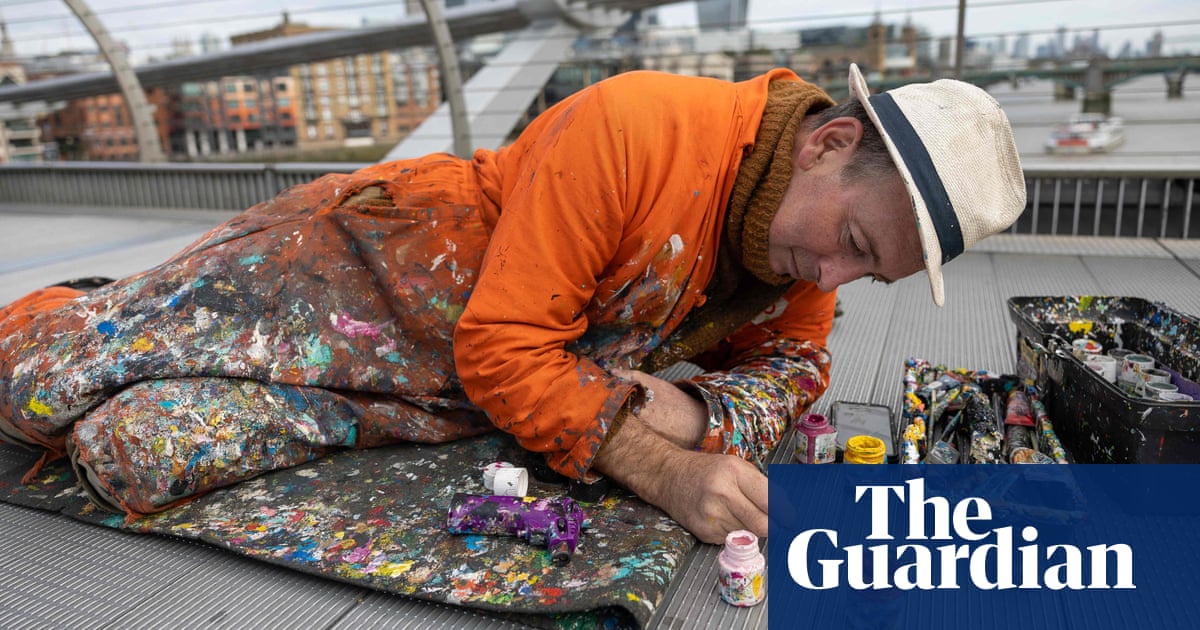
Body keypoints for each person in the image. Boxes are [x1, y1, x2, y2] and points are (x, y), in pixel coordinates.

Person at [0, 64, 1024, 544]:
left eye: (868, 276)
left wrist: (705, 413)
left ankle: (135, 344)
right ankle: (95, 307)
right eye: (851, 243)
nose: (832, 286)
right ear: (831, 145)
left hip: (427, 392)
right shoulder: (644, 127)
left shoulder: (801, 258)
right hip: (345, 279)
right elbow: (506, 343)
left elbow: (798, 369)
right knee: (39, 384)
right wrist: (662, 465)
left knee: (138, 454)